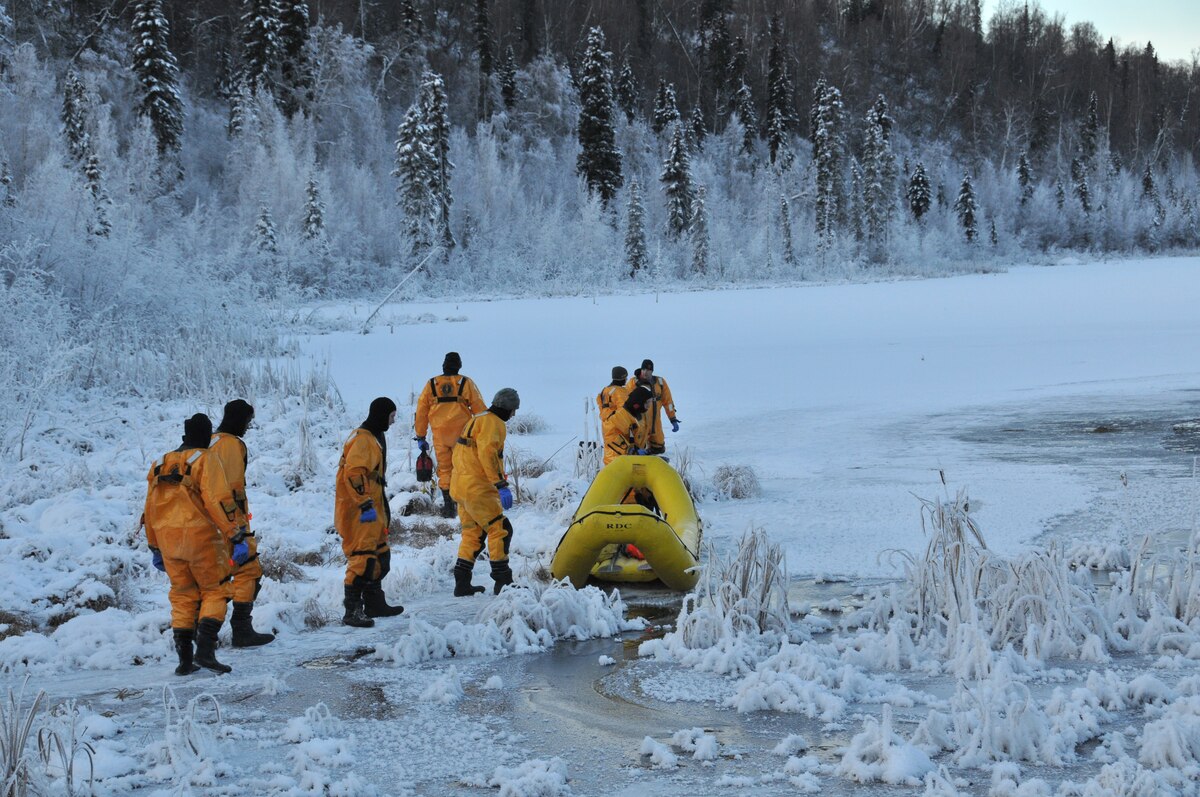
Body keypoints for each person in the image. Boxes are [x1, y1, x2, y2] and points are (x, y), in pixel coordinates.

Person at [143, 414, 244, 675]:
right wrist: (235, 533)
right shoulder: (206, 460)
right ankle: (205, 653)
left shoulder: (159, 464)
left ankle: (185, 661)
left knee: (182, 595)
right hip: (201, 539)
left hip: (168, 542)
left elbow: (149, 509)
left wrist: (154, 545)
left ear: (184, 436)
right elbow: (218, 500)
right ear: (207, 437)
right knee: (216, 590)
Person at [209, 399, 275, 648]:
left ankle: (203, 635)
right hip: (230, 521)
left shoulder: (208, 441)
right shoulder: (232, 445)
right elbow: (231, 490)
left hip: (204, 523)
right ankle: (241, 629)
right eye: (247, 421)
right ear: (239, 420)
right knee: (249, 571)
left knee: (211, 579)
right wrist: (237, 531)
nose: (248, 427)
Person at [335, 397, 404, 628]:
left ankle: (375, 603)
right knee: (362, 558)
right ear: (381, 415)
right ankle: (352, 611)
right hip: (359, 510)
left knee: (380, 556)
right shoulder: (363, 439)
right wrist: (364, 503)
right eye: (391, 416)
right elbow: (354, 474)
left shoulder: (373, 436)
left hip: (373, 505)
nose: (393, 421)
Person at [450, 388, 520, 597]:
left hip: (460, 485)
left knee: (473, 533)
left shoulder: (478, 418)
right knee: (500, 529)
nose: (513, 415)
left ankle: (462, 582)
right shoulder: (494, 423)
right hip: (477, 488)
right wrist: (500, 484)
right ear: (507, 408)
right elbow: (488, 454)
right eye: (513, 410)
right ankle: (503, 581)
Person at [414, 352, 487, 518]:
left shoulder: (432, 384)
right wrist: (484, 432)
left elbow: (421, 411)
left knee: (445, 469)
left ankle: (449, 507)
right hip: (463, 436)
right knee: (464, 468)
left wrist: (420, 435)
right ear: (459, 366)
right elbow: (480, 410)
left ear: (443, 365)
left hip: (440, 435)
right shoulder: (466, 383)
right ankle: (464, 505)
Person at [626, 359, 680, 455]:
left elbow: (668, 402)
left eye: (648, 370)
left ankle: (651, 453)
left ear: (652, 371)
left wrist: (673, 418)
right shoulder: (633, 383)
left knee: (659, 448)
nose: (645, 372)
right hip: (640, 422)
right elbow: (626, 402)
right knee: (638, 448)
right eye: (643, 369)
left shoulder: (660, 382)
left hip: (655, 422)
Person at [602, 385, 652, 465]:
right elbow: (610, 435)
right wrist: (630, 450)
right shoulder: (619, 417)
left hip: (631, 459)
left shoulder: (641, 415)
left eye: (650, 402)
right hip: (615, 462)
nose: (649, 406)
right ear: (637, 404)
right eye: (647, 403)